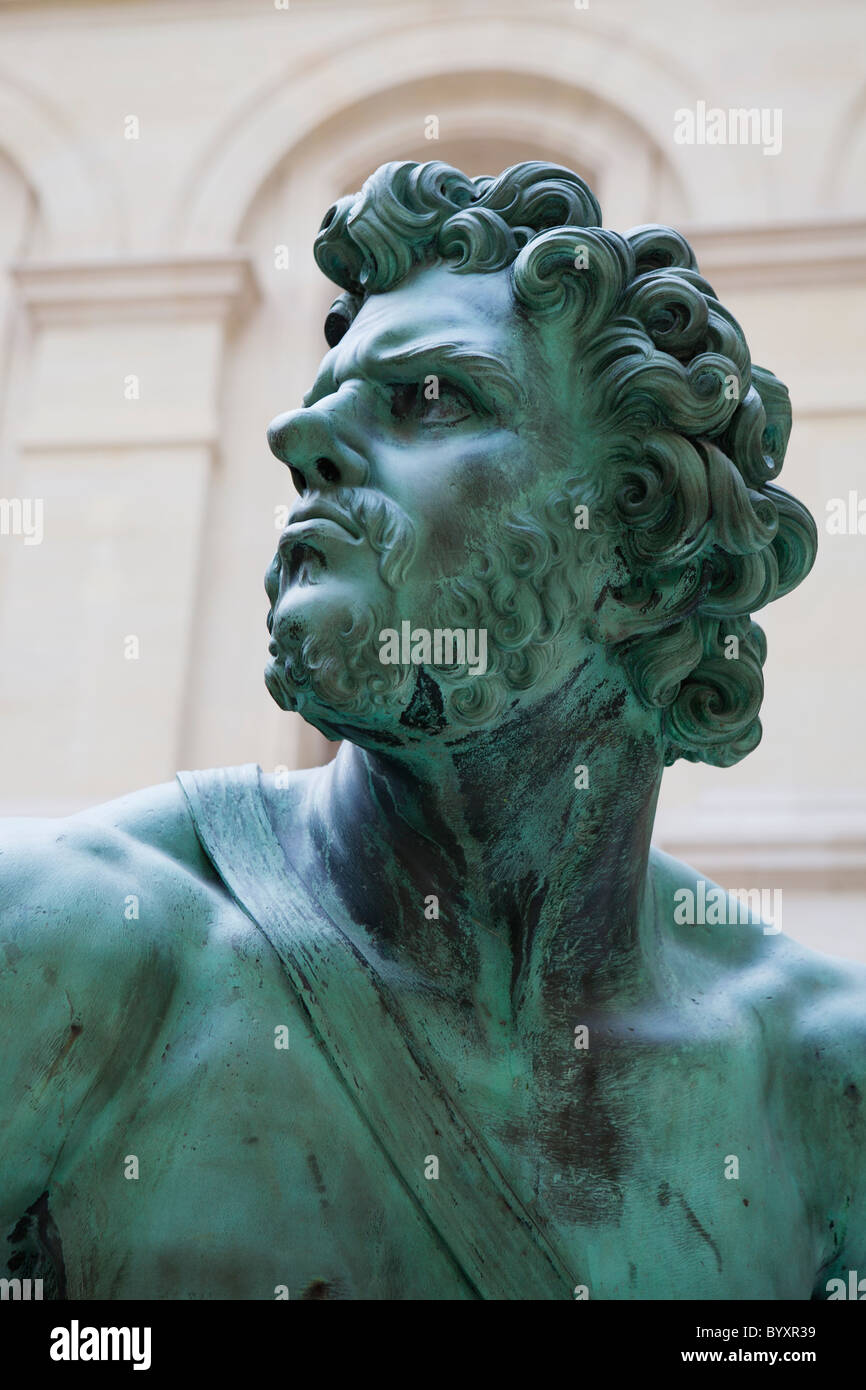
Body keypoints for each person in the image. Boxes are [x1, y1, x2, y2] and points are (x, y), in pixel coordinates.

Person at [2, 161, 858, 1301]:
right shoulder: (71, 950)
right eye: (323, 399)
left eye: (431, 400)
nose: (298, 436)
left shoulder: (817, 1085)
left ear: (638, 541)